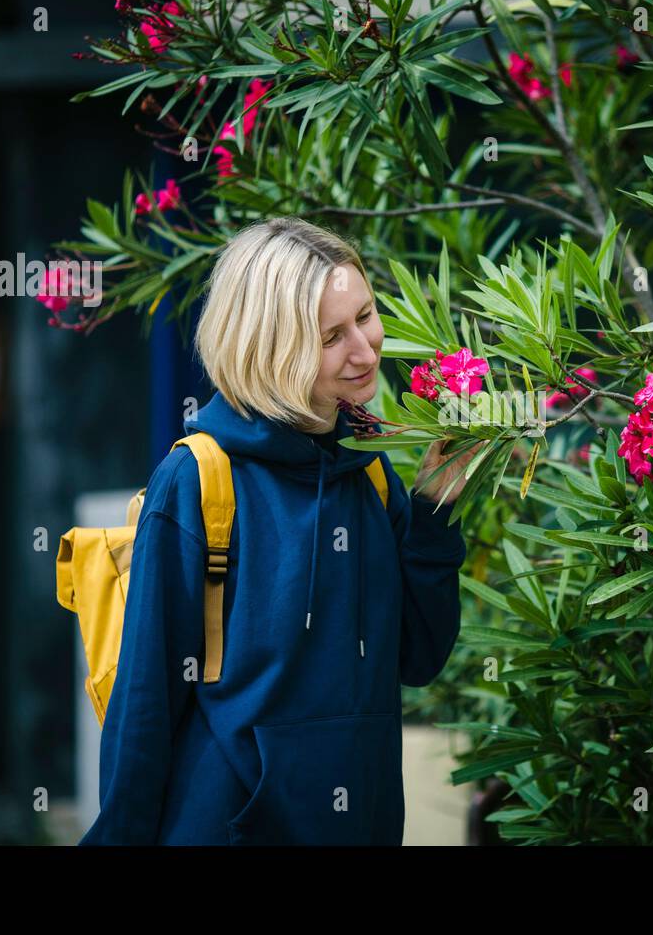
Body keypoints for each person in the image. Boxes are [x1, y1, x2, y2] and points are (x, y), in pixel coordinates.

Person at [79, 216, 475, 845]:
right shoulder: (199, 479)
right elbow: (144, 707)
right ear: (269, 346)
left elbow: (418, 656)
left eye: (366, 316)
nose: (367, 350)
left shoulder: (369, 472)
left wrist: (434, 510)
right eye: (331, 336)